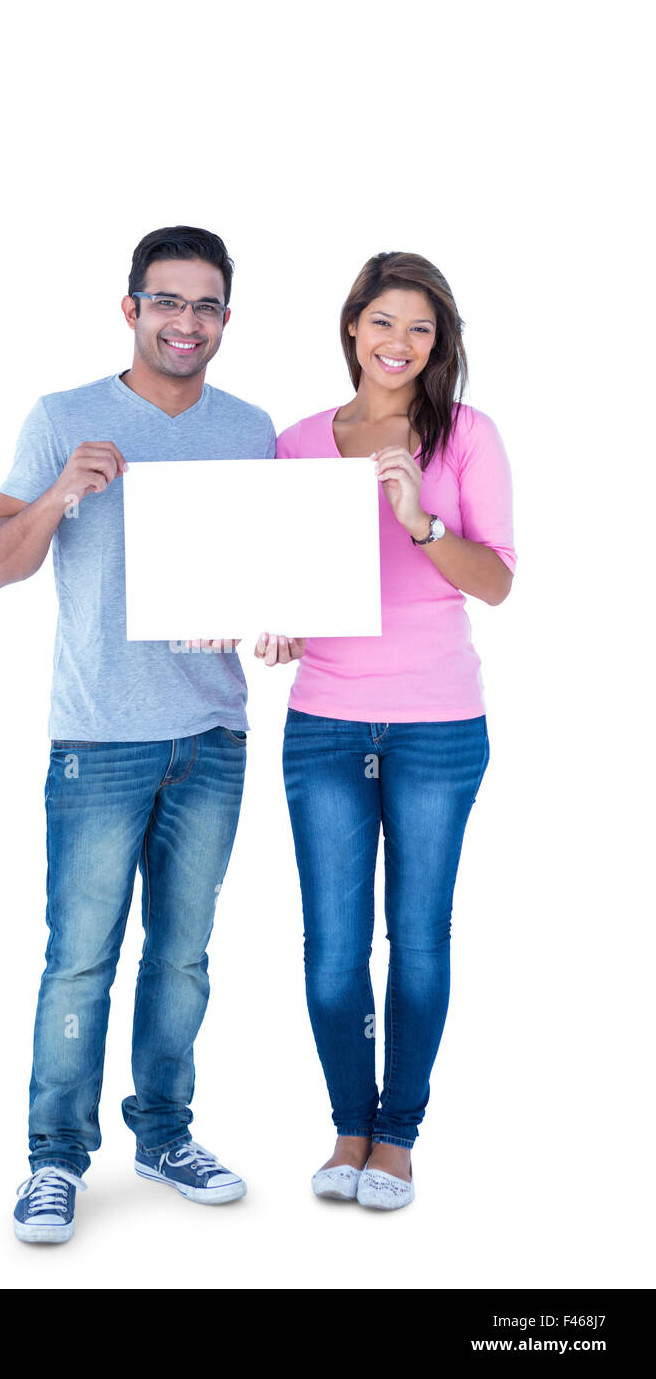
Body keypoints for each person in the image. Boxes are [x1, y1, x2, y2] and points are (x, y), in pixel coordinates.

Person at [0, 225, 275, 1243]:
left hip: (213, 734)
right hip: (97, 739)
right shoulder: (65, 417)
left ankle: (163, 1132)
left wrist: (277, 618)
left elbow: (263, 578)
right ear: (130, 309)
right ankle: (53, 1160)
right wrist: (62, 493)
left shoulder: (248, 428)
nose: (185, 322)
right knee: (80, 959)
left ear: (223, 319)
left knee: (183, 957)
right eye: (167, 301)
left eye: (205, 306)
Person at [255, 251, 516, 1210]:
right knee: (331, 950)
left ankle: (397, 1138)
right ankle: (347, 1129)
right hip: (324, 720)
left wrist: (418, 518)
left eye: (420, 327)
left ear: (439, 341)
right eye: (382, 323)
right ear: (351, 327)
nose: (398, 344)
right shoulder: (295, 442)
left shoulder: (467, 437)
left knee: (417, 939)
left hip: (438, 726)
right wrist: (275, 616)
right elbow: (280, 576)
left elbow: (496, 582)